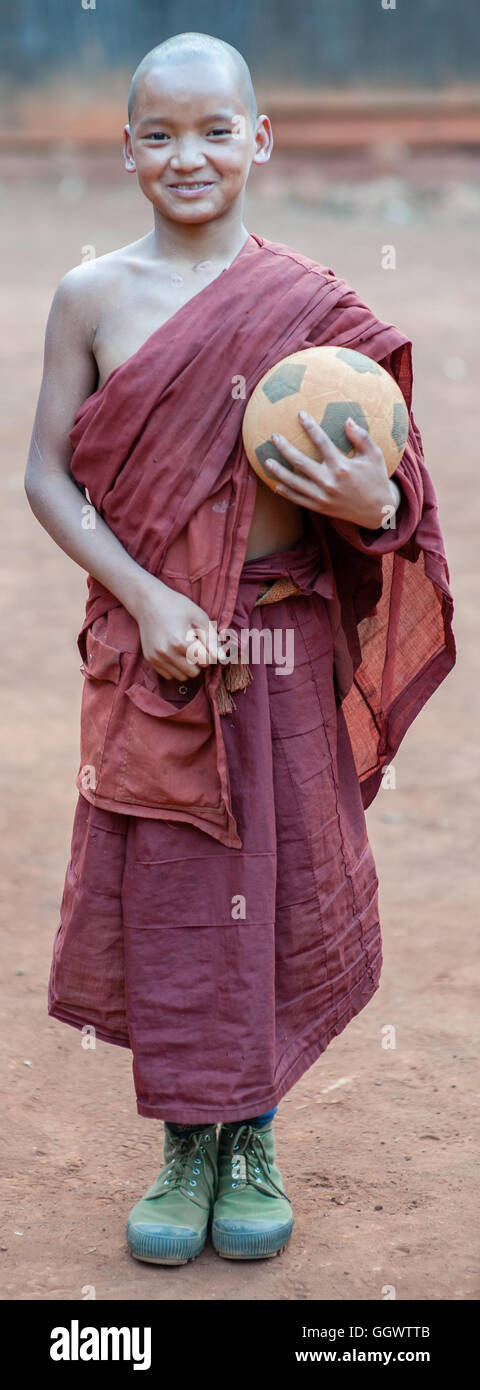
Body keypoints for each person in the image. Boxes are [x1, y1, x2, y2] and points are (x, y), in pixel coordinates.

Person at [24, 31, 455, 1267]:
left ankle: (252, 1132)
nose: (189, 154)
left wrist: (375, 505)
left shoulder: (316, 310)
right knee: (172, 894)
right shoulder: (93, 298)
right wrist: (146, 598)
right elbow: (48, 479)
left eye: (216, 129)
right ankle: (184, 1141)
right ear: (126, 152)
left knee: (276, 881)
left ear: (260, 140)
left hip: (282, 644)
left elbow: (395, 493)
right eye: (159, 133)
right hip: (160, 657)